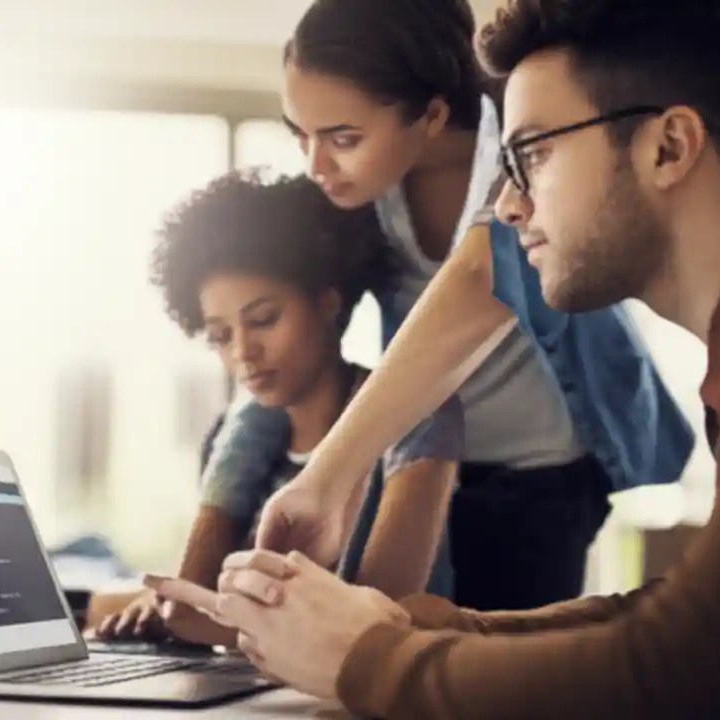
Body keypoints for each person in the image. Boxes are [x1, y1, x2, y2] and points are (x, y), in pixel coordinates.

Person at [153, 0, 720, 716]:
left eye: (532, 154)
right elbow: (697, 617)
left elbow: (701, 666)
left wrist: (364, 661)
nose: (504, 205)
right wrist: (413, 629)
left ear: (669, 147)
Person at [204, 0, 695, 613]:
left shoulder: (525, 149)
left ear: (432, 114)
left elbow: (480, 270)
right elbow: (298, 337)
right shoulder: (352, 197)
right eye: (299, 135)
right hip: (424, 466)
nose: (316, 165)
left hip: (547, 472)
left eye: (343, 138)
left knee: (504, 674)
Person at [96, 171, 464, 644]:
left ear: (327, 302)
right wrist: (168, 607)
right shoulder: (232, 440)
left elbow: (379, 620)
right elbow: (189, 605)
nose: (243, 352)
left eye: (264, 320)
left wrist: (189, 612)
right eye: (220, 336)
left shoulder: (419, 415)